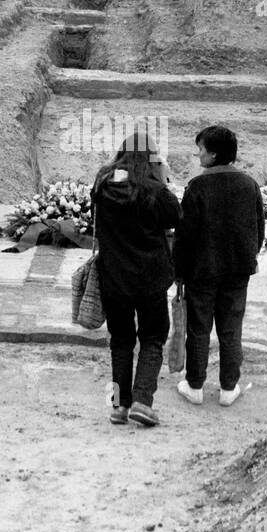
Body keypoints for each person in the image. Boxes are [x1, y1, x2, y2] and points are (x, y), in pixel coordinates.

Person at [92, 128, 180, 427]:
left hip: (113, 278)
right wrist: (162, 176)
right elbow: (175, 217)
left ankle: (119, 406)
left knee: (120, 342)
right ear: (151, 160)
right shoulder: (154, 190)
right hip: (150, 279)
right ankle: (143, 401)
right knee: (153, 339)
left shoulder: (103, 185)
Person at [173, 126, 264, 407]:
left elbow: (184, 235)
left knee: (199, 328)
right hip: (238, 269)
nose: (197, 154)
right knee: (231, 328)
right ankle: (228, 388)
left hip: (202, 271)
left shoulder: (197, 187)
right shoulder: (249, 185)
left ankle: (195, 385)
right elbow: (258, 229)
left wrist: (179, 271)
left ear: (213, 154)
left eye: (200, 149)